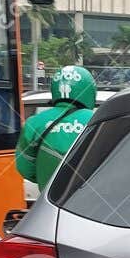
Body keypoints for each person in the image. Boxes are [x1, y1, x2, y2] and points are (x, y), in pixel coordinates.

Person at [14, 64, 97, 194]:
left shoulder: (34, 123)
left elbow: (25, 169)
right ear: (90, 91)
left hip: (50, 205)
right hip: (89, 205)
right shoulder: (98, 121)